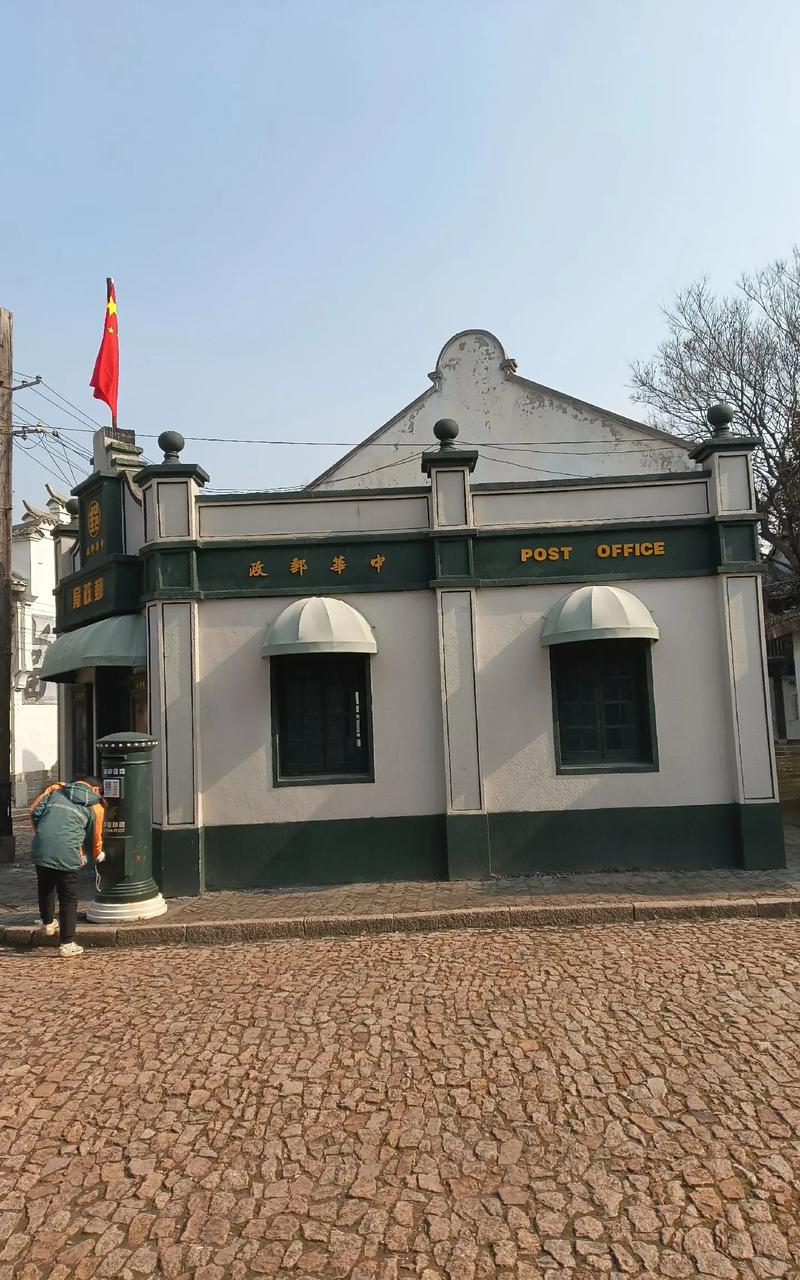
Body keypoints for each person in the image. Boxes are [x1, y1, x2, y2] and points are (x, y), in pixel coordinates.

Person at [29, 776, 106, 958]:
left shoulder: (56, 791)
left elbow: (34, 811)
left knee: (45, 887)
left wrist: (44, 833)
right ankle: (67, 943)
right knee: (68, 897)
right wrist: (97, 854)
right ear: (95, 790)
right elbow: (95, 836)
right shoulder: (95, 806)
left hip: (42, 847)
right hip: (69, 851)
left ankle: (48, 924)